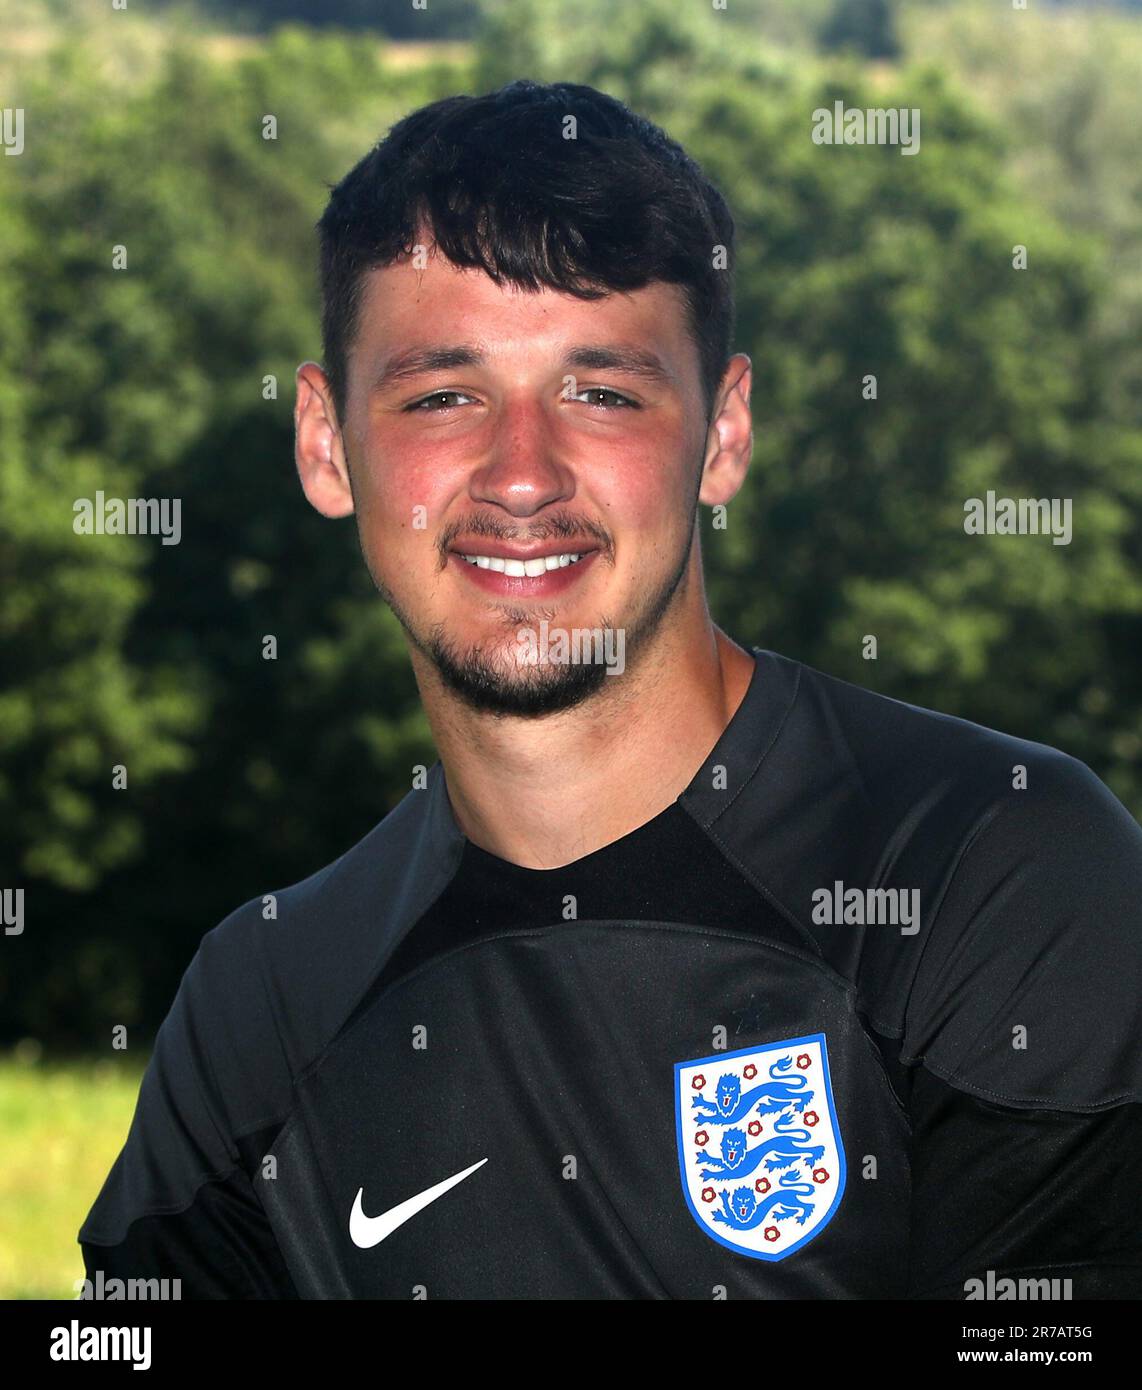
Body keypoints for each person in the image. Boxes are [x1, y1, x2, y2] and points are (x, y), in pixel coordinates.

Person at [78, 78, 1142, 1299]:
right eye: (442, 395)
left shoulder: (992, 867)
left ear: (723, 434)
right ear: (326, 446)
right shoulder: (261, 1004)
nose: (520, 476)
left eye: (601, 393)